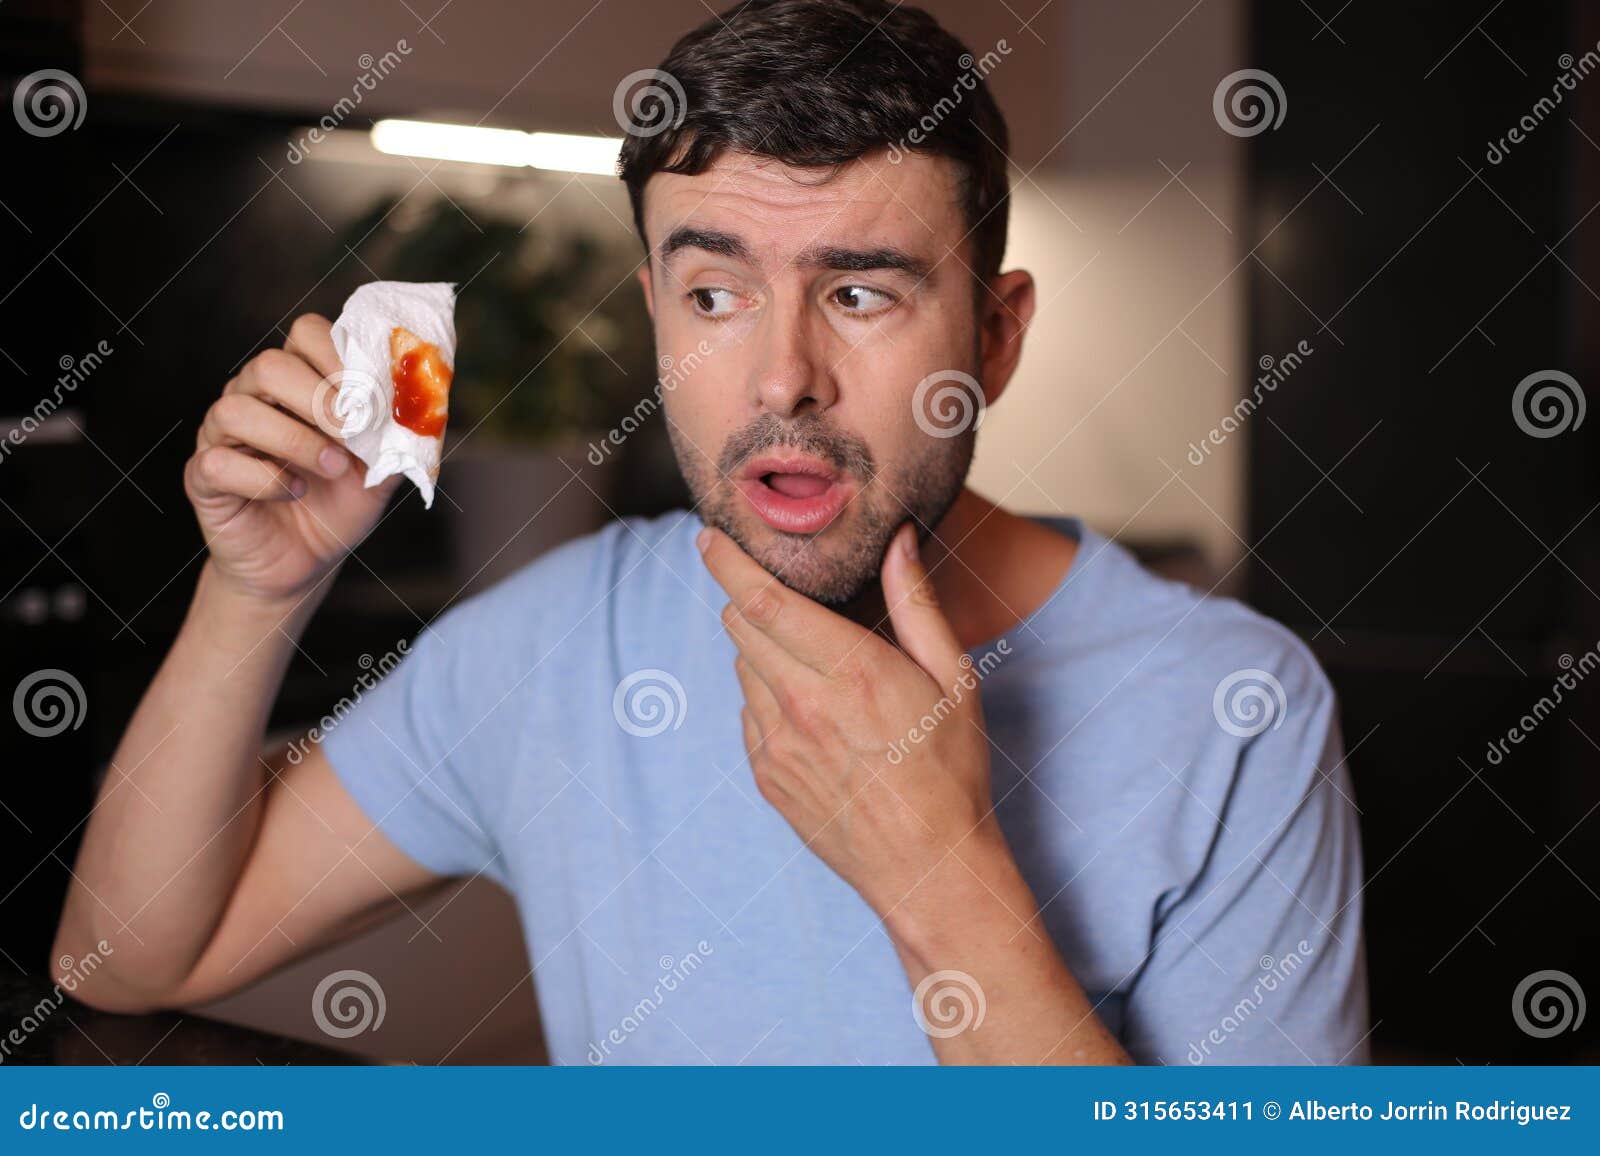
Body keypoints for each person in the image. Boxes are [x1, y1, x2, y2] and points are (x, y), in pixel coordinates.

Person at [54, 0, 1368, 1065]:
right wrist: (258, 589)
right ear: (657, 315)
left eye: (859, 290)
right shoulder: (559, 639)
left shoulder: (1235, 712)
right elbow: (119, 960)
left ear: (997, 335)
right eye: (716, 292)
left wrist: (940, 874)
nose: (782, 379)